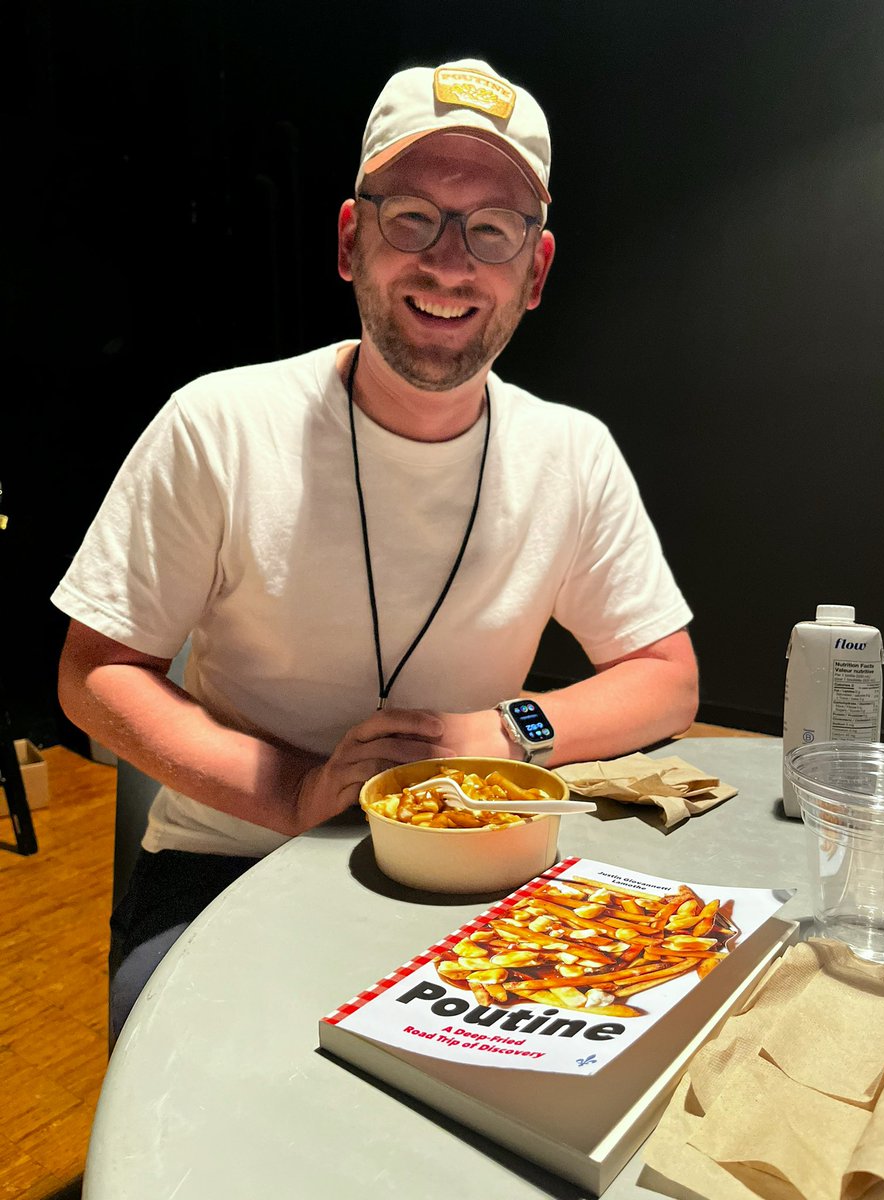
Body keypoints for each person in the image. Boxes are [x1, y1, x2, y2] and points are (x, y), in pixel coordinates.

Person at [53, 59, 698, 1040]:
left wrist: (500, 733)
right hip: (230, 864)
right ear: (351, 240)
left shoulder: (571, 453)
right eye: (414, 218)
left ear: (535, 272)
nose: (449, 264)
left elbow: (666, 677)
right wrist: (298, 791)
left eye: (491, 229)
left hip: (472, 868)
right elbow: (95, 673)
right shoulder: (219, 425)